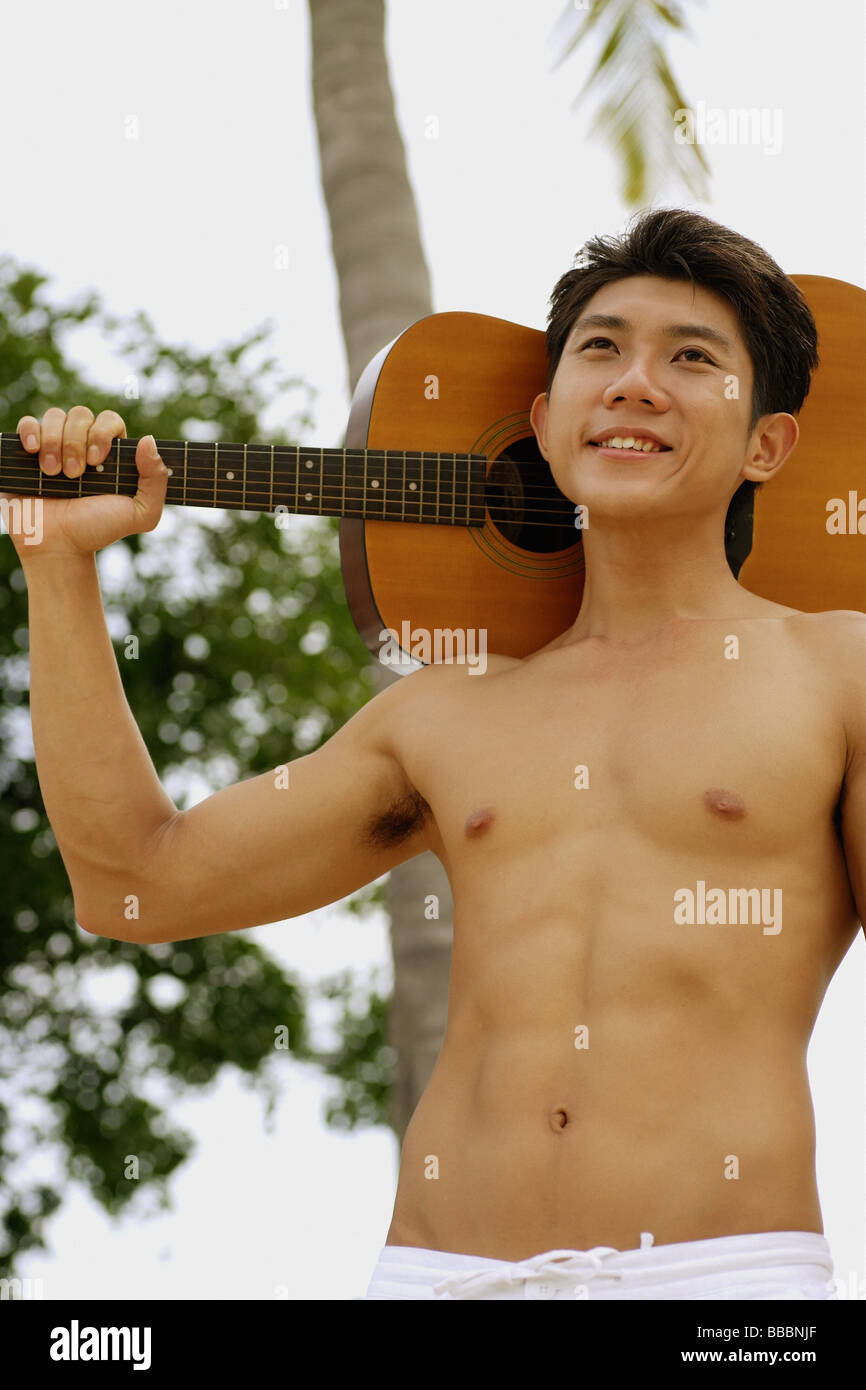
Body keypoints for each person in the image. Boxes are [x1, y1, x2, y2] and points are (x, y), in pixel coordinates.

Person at [7, 208, 864, 1300]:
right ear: (545, 423)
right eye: (600, 347)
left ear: (765, 444)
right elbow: (134, 882)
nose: (635, 382)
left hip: (722, 1282)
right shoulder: (445, 711)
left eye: (690, 358)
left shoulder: (837, 671)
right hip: (433, 1276)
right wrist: (58, 567)